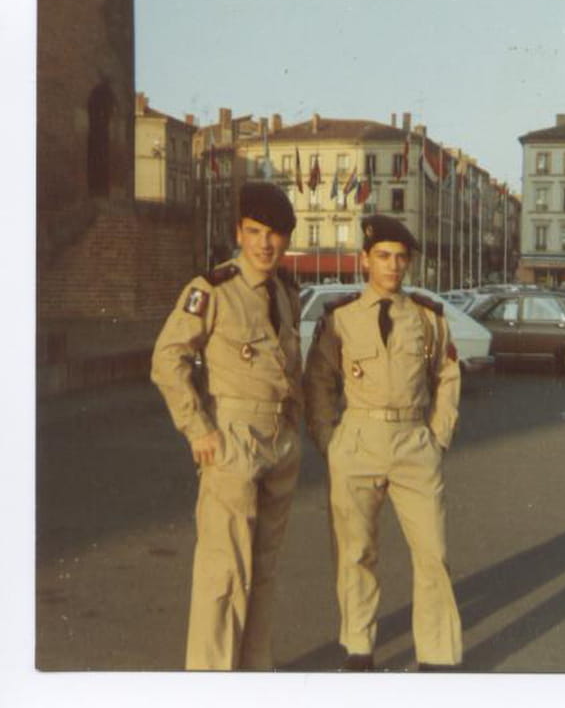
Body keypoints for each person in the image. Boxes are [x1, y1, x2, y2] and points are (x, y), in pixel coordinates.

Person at [151, 182, 301, 671]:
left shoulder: (285, 292)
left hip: (279, 443)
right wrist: (198, 429)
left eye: (275, 234)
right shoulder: (212, 289)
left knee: (266, 573)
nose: (264, 244)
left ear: (286, 239)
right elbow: (167, 358)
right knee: (224, 576)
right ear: (238, 232)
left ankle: (254, 677)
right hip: (233, 438)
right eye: (255, 232)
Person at [303, 214, 463, 671]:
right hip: (357, 439)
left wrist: (438, 437)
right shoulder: (341, 319)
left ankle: (438, 656)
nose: (393, 266)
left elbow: (448, 377)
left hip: (414, 441)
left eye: (400, 258)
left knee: (433, 553)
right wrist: (329, 440)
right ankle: (358, 647)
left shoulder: (428, 319)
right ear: (365, 260)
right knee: (355, 551)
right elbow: (318, 382)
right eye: (384, 257)